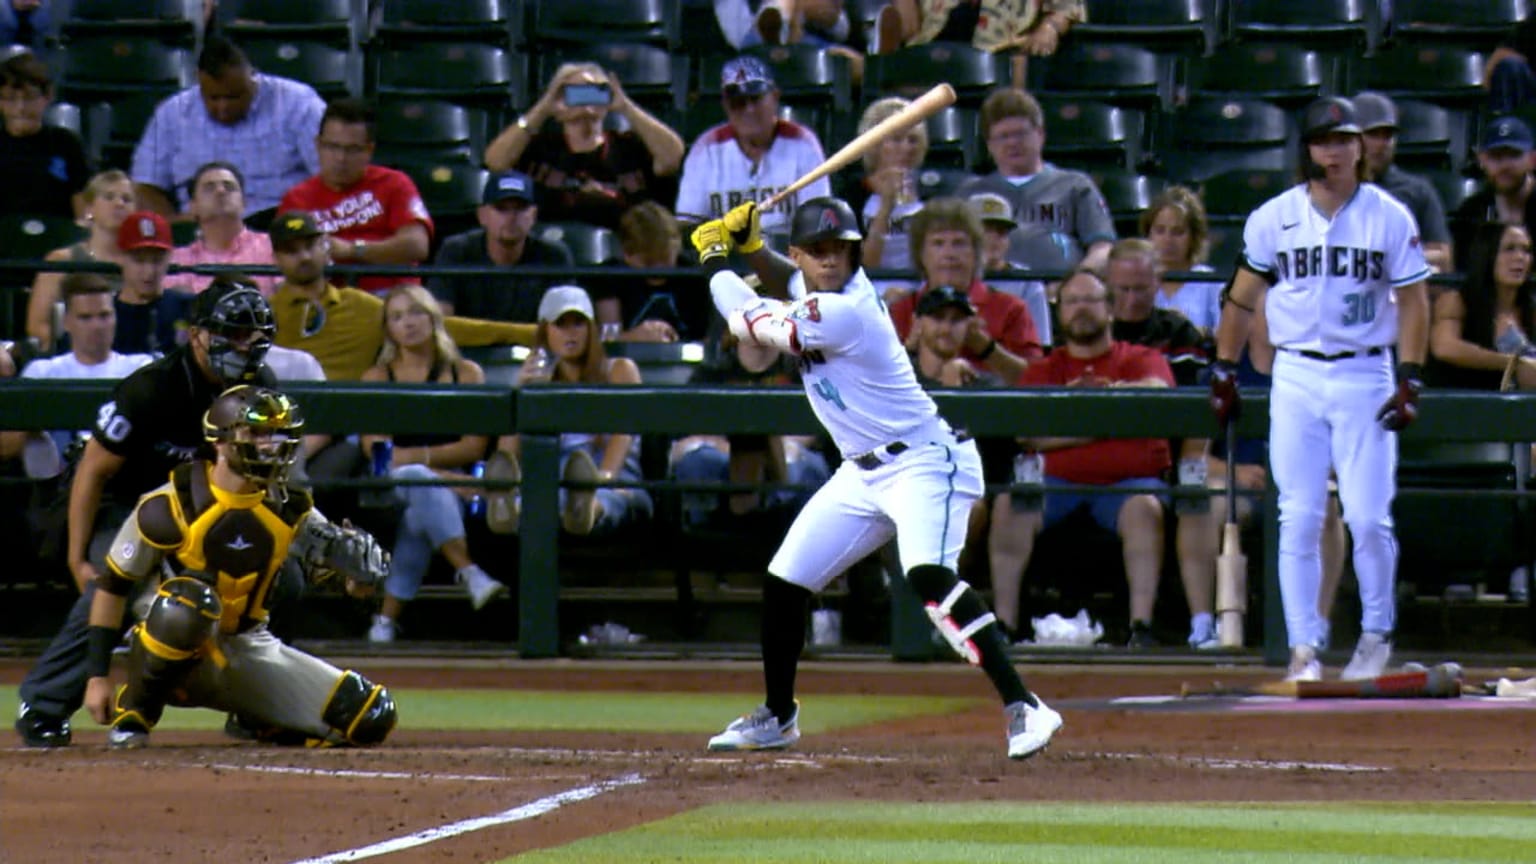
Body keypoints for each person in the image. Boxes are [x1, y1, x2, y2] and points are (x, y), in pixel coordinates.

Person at [689, 197, 1062, 759]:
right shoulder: (816, 288)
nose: (830, 259)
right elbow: (790, 279)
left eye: (840, 249)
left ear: (855, 253)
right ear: (800, 253)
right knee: (786, 581)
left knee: (929, 576)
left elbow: (750, 320)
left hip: (924, 462)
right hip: (861, 471)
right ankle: (778, 716)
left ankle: (1025, 706)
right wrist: (752, 249)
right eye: (818, 250)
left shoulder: (848, 310)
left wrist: (715, 259)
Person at [1210, 96, 1431, 682]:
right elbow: (1241, 297)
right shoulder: (1274, 217)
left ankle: (1376, 635)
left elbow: (1414, 300)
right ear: (1306, 149)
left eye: (1344, 140)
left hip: (1365, 371)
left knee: (1368, 516)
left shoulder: (1389, 216)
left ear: (1360, 148)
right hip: (1297, 373)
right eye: (1323, 141)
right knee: (1299, 515)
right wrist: (1224, 366)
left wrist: (1410, 373)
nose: (1333, 151)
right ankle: (1303, 647)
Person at [13, 280, 279, 748]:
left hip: (201, 511)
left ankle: (254, 703)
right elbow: (93, 471)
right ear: (197, 335)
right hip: (121, 505)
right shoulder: (154, 387)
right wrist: (76, 556)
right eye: (232, 334)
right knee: (114, 578)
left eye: (252, 336)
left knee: (279, 574)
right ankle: (44, 704)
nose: (243, 346)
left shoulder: (261, 387)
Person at [83, 385, 396, 749]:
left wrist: (358, 581)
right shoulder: (172, 503)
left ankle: (258, 717)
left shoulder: (290, 507)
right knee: (187, 604)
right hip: (178, 651)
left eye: (276, 435)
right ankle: (137, 708)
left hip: (249, 645)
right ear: (221, 440)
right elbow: (113, 586)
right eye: (257, 433)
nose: (269, 445)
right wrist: (97, 677)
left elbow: (329, 576)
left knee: (370, 715)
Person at [988, 268, 1175, 647]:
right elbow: (1028, 435)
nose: (1081, 309)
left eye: (1090, 300)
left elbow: (1156, 394)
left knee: (1144, 510)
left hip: (1129, 485)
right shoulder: (1043, 369)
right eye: (1072, 301)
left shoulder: (1141, 357)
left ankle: (1141, 627)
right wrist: (1109, 421)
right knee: (1009, 503)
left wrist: (1075, 414)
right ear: (1059, 313)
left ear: (1110, 309)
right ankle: (1003, 626)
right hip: (1052, 484)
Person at [360, 286, 507, 643]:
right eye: (397, 317)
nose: (408, 323)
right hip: (394, 486)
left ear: (433, 318)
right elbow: (379, 454)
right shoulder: (376, 378)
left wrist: (424, 469)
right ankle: (468, 570)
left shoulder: (466, 373)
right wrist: (439, 475)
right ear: (388, 328)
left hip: (452, 489)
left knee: (418, 513)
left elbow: (474, 446)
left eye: (415, 313)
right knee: (415, 479)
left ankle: (384, 621)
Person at [267, 210, 535, 381]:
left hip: (347, 422)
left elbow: (446, 326)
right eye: (292, 251)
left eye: (310, 246)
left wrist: (532, 333)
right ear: (276, 258)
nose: (304, 256)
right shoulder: (265, 314)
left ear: (325, 248)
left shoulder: (360, 305)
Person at [500, 286, 654, 536]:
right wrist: (522, 392)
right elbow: (507, 455)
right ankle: (514, 510)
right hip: (555, 479)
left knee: (609, 497)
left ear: (591, 329)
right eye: (561, 324)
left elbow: (622, 435)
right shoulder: (538, 380)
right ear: (545, 331)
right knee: (548, 495)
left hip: (615, 478)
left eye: (578, 324)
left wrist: (602, 479)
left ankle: (587, 509)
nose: (570, 333)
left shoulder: (620, 370)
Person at [131, 35, 325, 219]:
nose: (223, 108)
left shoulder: (299, 104)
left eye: (233, 97)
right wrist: (175, 226)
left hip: (280, 225)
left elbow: (331, 178)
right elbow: (145, 187)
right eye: (213, 98)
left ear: (252, 76)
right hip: (201, 229)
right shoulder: (172, 113)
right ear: (199, 80)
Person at [483, 62, 684, 230]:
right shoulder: (539, 148)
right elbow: (496, 162)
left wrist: (625, 106)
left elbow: (672, 157)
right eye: (575, 93)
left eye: (594, 92)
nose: (586, 102)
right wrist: (544, 107)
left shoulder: (628, 146)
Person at [277, 98, 432, 295]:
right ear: (318, 145)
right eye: (332, 147)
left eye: (352, 149)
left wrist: (352, 250)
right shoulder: (296, 198)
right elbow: (285, 257)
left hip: (391, 297)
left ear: (369, 150)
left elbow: (417, 246)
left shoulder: (394, 184)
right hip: (325, 298)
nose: (341, 158)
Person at [958, 87, 1117, 275]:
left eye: (1020, 134)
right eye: (1003, 137)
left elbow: (1103, 248)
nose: (1012, 143)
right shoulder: (970, 193)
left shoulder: (1075, 185)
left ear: (1040, 134)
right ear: (989, 145)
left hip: (1060, 288)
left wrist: (1079, 280)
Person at [0, 274, 152, 470]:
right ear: (66, 322)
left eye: (104, 315)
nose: (97, 326)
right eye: (85, 317)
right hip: (55, 480)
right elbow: (5, 446)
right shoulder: (42, 372)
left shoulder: (138, 368)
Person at [674, 55, 831, 240]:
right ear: (725, 106)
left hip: (788, 253)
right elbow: (688, 225)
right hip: (724, 253)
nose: (749, 110)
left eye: (755, 99)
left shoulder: (802, 143)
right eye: (738, 102)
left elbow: (818, 223)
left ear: (775, 97)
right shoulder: (707, 149)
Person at [887, 197, 1043, 381]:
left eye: (959, 243)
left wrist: (984, 346)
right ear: (921, 254)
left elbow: (1037, 379)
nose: (949, 254)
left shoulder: (1011, 309)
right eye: (938, 243)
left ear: (976, 253)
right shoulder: (901, 310)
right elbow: (874, 382)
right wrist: (911, 349)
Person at [426, 170, 573, 323]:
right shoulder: (456, 251)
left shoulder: (554, 256)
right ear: (482, 215)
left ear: (533, 216)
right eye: (502, 208)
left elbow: (566, 325)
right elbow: (441, 321)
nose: (511, 217)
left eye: (520, 208)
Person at [25, 169, 133, 352]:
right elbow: (37, 324)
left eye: (127, 199)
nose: (119, 203)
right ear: (89, 208)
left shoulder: (142, 263)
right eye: (109, 197)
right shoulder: (62, 260)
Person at [1353, 91, 1454, 274]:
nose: (1382, 144)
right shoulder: (1332, 191)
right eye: (1373, 134)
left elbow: (1443, 258)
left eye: (1388, 136)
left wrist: (1391, 258)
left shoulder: (1417, 190)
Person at [1428, 221, 1536, 391]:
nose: (1520, 257)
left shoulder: (1530, 308)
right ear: (1487, 255)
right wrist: (1512, 363)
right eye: (1509, 249)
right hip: (1461, 400)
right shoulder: (1456, 300)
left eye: (1526, 250)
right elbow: (1444, 347)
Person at [164, 161, 278, 296]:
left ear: (244, 202)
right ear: (193, 206)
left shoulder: (272, 247)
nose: (221, 191)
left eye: (229, 187)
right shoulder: (177, 261)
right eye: (209, 188)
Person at [1105, 239, 1209, 387]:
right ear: (1108, 284)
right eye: (1123, 289)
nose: (1132, 299)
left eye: (1140, 289)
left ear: (1157, 282)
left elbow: (1188, 393)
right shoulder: (1095, 333)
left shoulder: (1179, 332)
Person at [0, 49, 89, 219]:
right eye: (10, 98)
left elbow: (82, 213)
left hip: (58, 234)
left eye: (29, 98)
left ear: (47, 96)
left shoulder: (66, 143)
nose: (20, 108)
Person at [595, 200, 700, 341]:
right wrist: (635, 337)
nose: (659, 268)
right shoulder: (610, 276)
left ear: (677, 248)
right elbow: (609, 341)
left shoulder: (693, 275)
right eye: (649, 262)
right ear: (627, 254)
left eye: (665, 258)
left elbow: (707, 340)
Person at [856, 96, 927, 298]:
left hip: (921, 286)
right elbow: (868, 263)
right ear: (875, 144)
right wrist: (886, 206)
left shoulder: (930, 190)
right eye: (896, 139)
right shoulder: (855, 194)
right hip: (874, 288)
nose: (906, 148)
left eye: (913, 140)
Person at [1450, 117, 1536, 273]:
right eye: (1496, 156)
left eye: (1514, 155)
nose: (1505, 165)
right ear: (1482, 160)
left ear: (1532, 160)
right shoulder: (1471, 212)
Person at [971, 191, 1053, 347]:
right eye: (985, 231)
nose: (993, 238)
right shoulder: (948, 275)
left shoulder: (1027, 281)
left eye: (1001, 232)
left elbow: (1041, 344)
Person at [1140, 185, 1223, 333]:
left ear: (1193, 237)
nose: (1168, 240)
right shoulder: (1137, 280)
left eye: (1178, 232)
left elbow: (1225, 336)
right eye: (1160, 230)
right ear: (1148, 234)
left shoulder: (1210, 283)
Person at [111, 210, 196, 355]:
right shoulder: (104, 315)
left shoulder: (188, 309)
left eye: (157, 261)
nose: (149, 271)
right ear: (120, 257)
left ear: (170, 258)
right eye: (139, 261)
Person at [877, 0, 1082, 57]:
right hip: (930, 50)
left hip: (1002, 52)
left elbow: (1067, 7)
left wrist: (1049, 27)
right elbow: (908, 29)